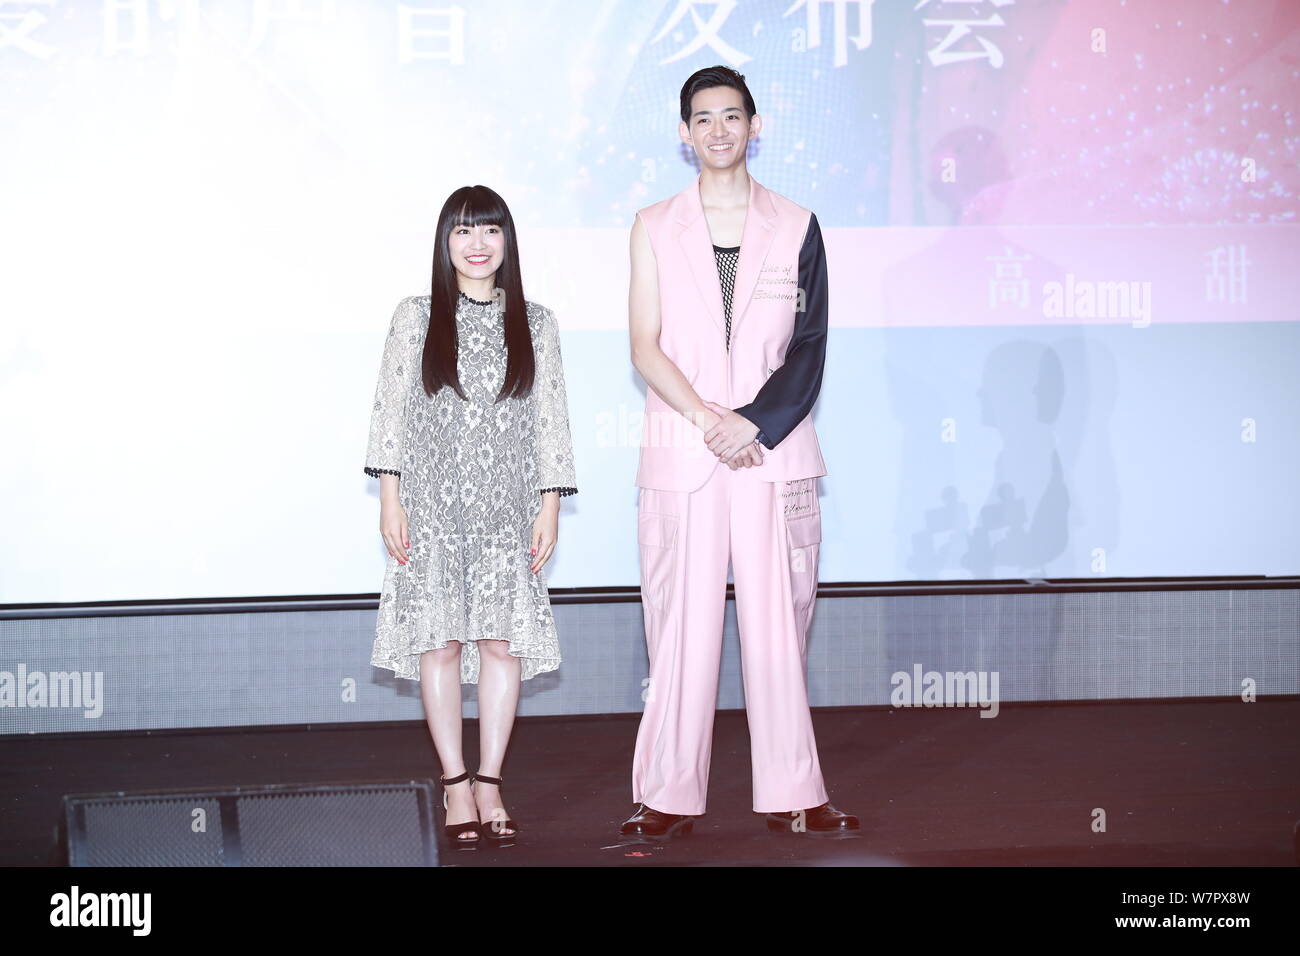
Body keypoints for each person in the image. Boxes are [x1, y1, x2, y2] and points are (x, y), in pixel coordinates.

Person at [622, 66, 859, 840]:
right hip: (684, 453)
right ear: (683, 134)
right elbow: (645, 347)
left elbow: (809, 345)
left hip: (771, 452)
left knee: (777, 629)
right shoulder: (654, 225)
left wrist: (753, 423)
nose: (718, 129)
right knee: (678, 630)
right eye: (702, 118)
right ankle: (665, 795)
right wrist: (707, 418)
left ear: (756, 126)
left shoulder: (797, 225)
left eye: (732, 115)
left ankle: (797, 790)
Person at [363, 184, 577, 849]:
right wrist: (391, 497)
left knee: (501, 644)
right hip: (429, 509)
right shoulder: (415, 315)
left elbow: (550, 419)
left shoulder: (535, 321)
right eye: (463, 231)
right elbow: (390, 410)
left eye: (490, 229)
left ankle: (491, 780)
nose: (477, 243)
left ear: (507, 240)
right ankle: (454, 784)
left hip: (509, 510)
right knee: (440, 642)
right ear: (444, 242)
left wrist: (549, 505)